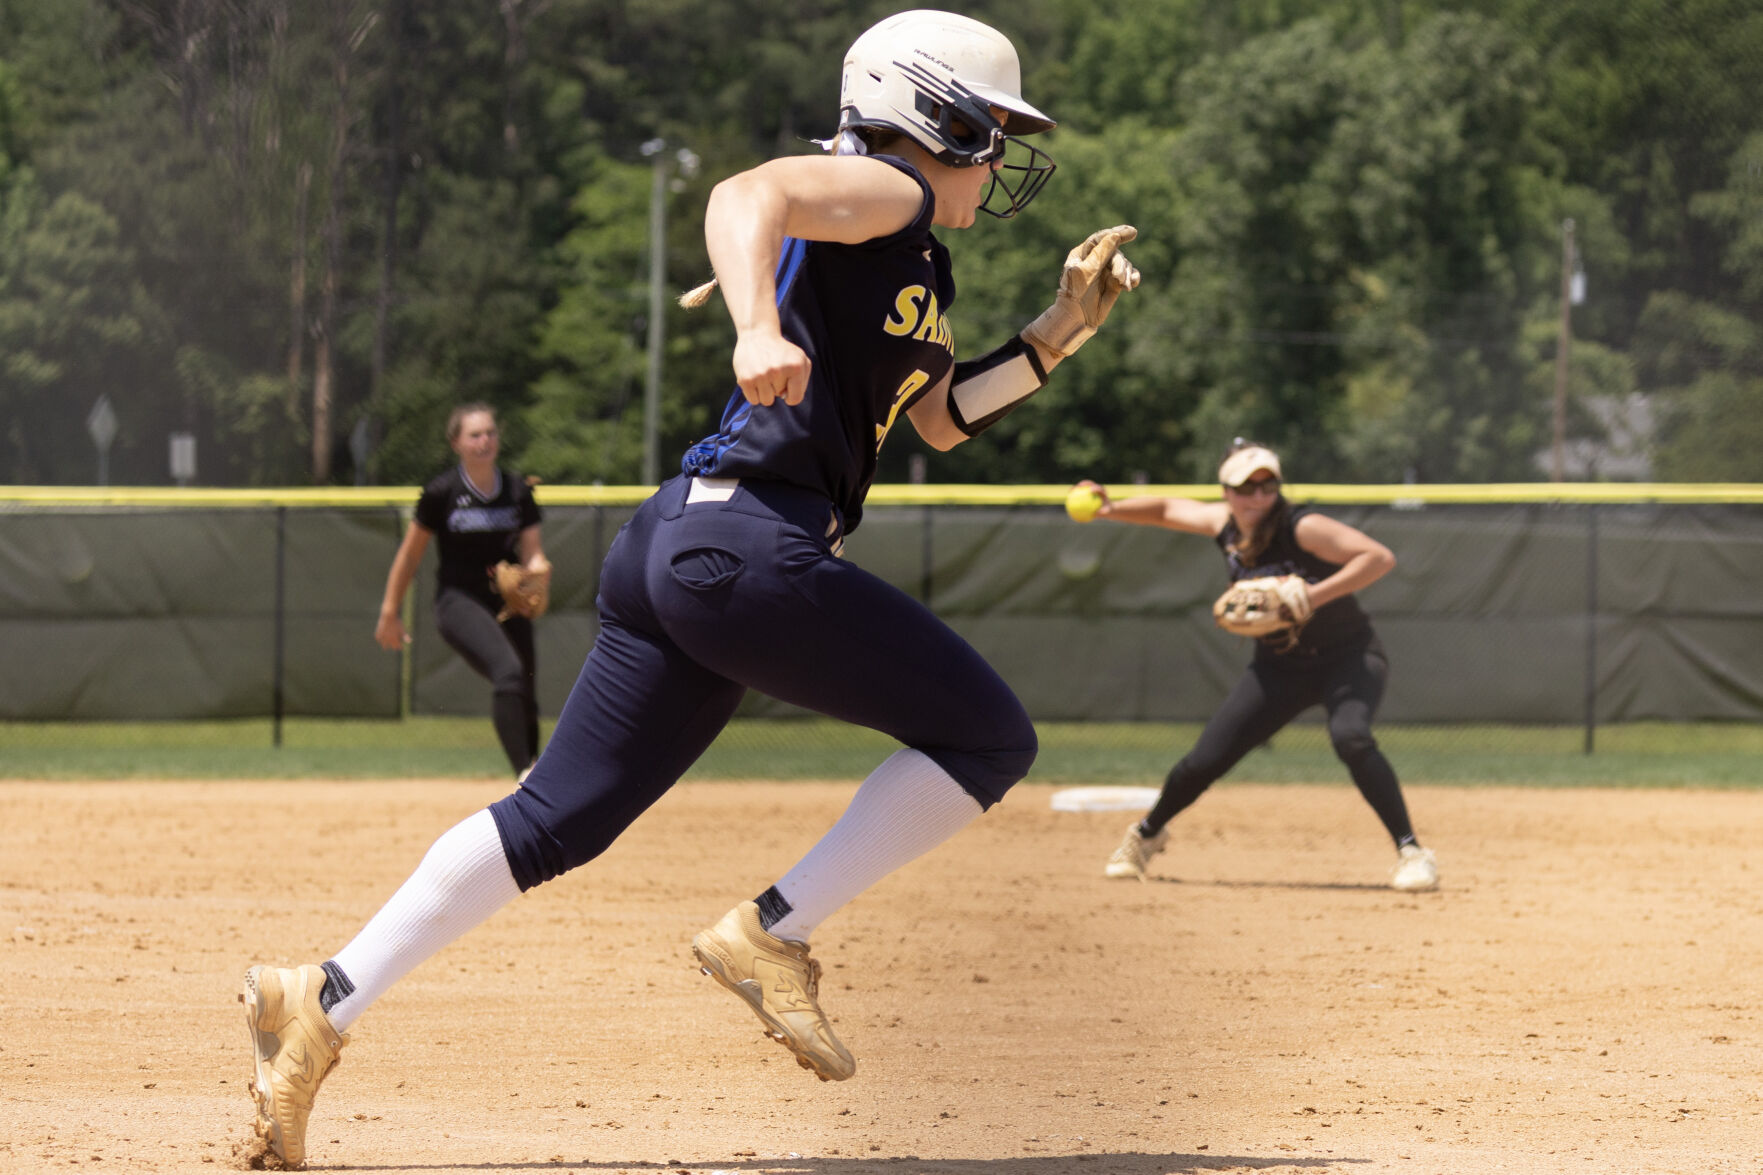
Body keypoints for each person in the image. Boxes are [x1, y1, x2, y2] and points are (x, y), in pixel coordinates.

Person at [240, 10, 1140, 1168]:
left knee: (555, 819)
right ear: (933, 120)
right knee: (986, 737)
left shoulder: (908, 248)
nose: (998, 159)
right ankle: (772, 930)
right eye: (989, 132)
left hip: (683, 547)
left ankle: (319, 998)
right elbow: (742, 192)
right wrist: (755, 325)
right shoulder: (888, 189)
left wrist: (1060, 330)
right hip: (744, 546)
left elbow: (939, 417)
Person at [1077, 439, 1439, 892]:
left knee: (1352, 737)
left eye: (1268, 485)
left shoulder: (1301, 526)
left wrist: (1312, 596)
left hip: (1348, 657)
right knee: (1205, 760)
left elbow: (1378, 558)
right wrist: (1110, 508)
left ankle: (1412, 852)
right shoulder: (1224, 526)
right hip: (1280, 667)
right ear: (1226, 491)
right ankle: (1145, 836)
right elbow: (1167, 509)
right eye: (1246, 487)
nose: (1258, 496)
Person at [374, 403, 547, 780]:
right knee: (508, 670)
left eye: (490, 433)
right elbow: (410, 555)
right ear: (456, 443)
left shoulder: (517, 490)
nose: (484, 441)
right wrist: (390, 610)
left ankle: (535, 780)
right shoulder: (441, 493)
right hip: (459, 601)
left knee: (525, 685)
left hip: (507, 601)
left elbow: (533, 552)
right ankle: (525, 773)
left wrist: (536, 572)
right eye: (474, 435)